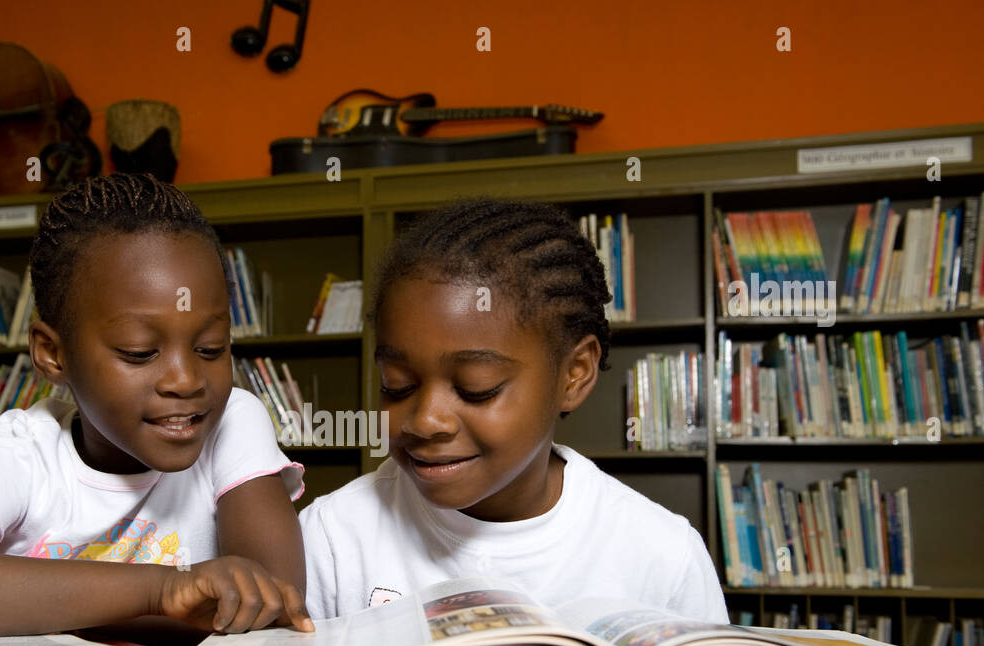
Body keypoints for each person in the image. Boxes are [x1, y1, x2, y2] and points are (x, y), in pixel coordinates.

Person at [0, 173, 312, 637]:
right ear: (52, 354)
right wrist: (163, 592)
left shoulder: (233, 422)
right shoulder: (21, 453)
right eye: (139, 353)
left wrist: (19, 611)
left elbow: (272, 603)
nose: (186, 380)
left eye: (210, 348)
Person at [300, 197, 728, 623]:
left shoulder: (664, 558)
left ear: (574, 374)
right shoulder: (331, 539)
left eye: (476, 389)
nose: (426, 420)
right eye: (398, 385)